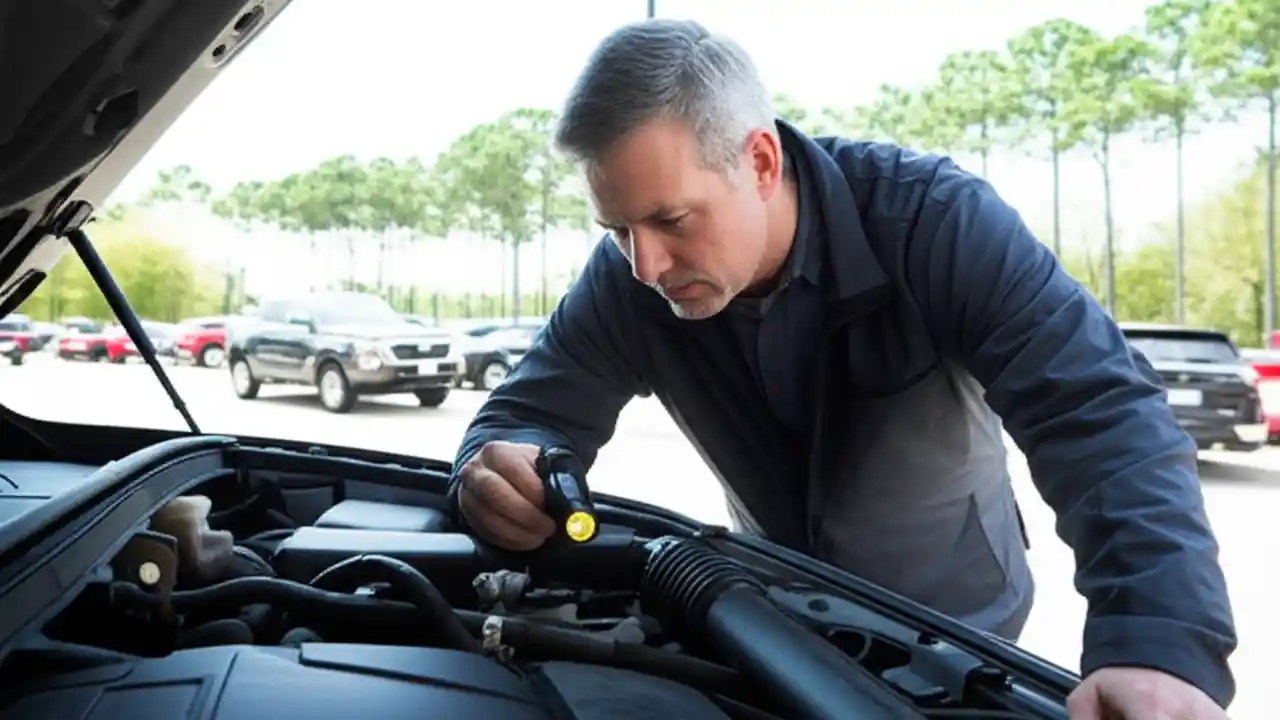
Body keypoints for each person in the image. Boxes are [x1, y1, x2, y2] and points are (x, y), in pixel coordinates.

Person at [447, 18, 1236, 719]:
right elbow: (524, 415)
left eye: (670, 220)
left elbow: (1098, 412)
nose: (645, 264)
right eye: (617, 228)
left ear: (759, 160)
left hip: (957, 631)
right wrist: (499, 468)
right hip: (770, 618)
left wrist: (1159, 638)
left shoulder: (933, 221)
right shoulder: (627, 281)